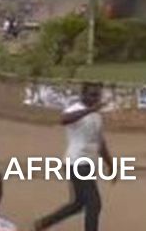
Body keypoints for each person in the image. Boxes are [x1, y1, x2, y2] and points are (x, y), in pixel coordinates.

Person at [34, 82, 112, 231]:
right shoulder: (76, 109)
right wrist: (89, 110)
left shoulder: (97, 115)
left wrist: (110, 164)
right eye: (92, 95)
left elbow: (100, 142)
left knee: (79, 203)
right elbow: (64, 119)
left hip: (87, 163)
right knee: (94, 203)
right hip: (76, 161)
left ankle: (43, 223)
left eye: (98, 95)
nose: (96, 98)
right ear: (83, 95)